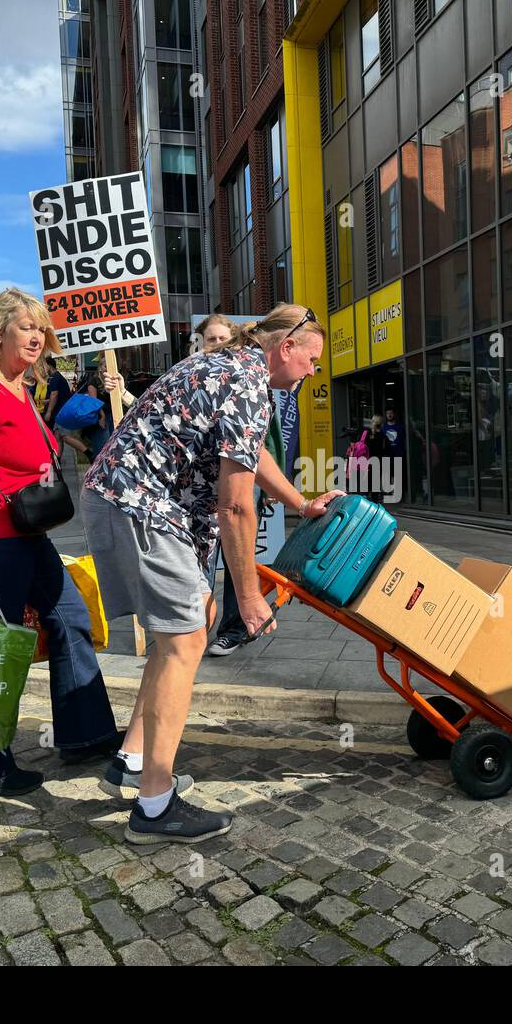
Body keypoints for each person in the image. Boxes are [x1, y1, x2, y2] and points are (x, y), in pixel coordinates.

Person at [82, 304, 343, 843]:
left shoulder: (230, 366)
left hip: (125, 501)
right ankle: (154, 807)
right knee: (185, 643)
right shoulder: (248, 383)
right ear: (285, 347)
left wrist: (300, 503)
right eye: (312, 359)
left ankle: (132, 759)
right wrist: (248, 597)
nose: (314, 371)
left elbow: (250, 456)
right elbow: (235, 508)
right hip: (145, 508)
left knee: (184, 627)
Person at [0, 288, 120, 799]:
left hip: (26, 535)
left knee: (71, 618)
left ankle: (85, 734)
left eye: (41, 330)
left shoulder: (21, 387)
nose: (37, 337)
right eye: (26, 327)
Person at [41, 355, 72, 429]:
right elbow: (59, 395)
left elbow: (54, 394)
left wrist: (49, 412)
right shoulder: (54, 377)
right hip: (60, 410)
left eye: (43, 366)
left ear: (49, 366)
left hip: (60, 411)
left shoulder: (55, 377)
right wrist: (48, 401)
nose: (42, 369)